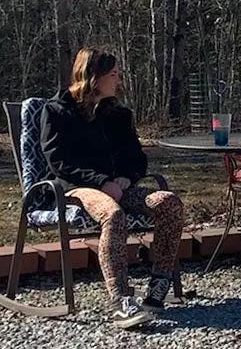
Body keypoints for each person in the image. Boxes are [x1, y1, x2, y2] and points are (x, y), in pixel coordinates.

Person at [41, 48, 185, 330]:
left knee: (168, 202)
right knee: (113, 214)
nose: (118, 80)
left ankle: (159, 285)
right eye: (113, 74)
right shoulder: (56, 111)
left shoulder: (118, 114)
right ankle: (120, 301)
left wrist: (126, 178)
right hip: (75, 188)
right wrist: (101, 182)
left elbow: (136, 158)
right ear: (93, 77)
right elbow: (59, 162)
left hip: (118, 185)